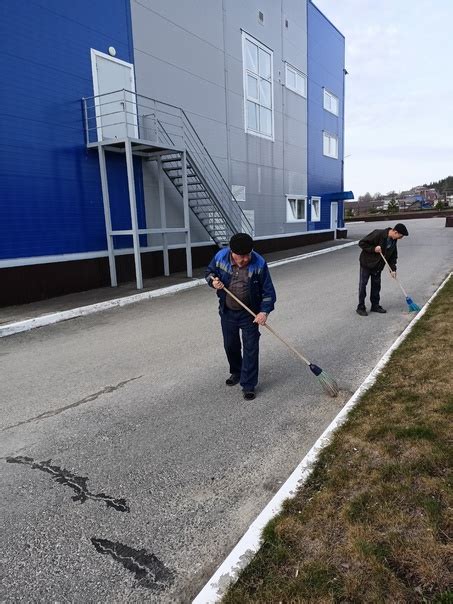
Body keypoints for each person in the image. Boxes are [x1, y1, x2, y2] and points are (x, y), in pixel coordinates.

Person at [205, 233, 276, 400]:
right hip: (227, 310)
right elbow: (209, 272)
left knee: (251, 348)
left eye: (247, 256)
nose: (244, 259)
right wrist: (212, 282)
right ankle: (236, 372)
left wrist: (263, 312)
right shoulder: (220, 257)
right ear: (231, 252)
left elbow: (269, 292)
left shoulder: (259, 263)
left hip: (249, 313)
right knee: (231, 345)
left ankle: (248, 384)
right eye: (240, 256)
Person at [356, 223, 409, 316]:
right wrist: (373, 248)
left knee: (376, 286)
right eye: (400, 236)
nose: (400, 238)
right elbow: (362, 243)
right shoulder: (378, 234)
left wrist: (393, 270)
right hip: (367, 264)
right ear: (395, 232)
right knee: (363, 285)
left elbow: (393, 257)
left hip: (378, 266)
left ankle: (375, 306)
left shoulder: (393, 241)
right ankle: (360, 307)